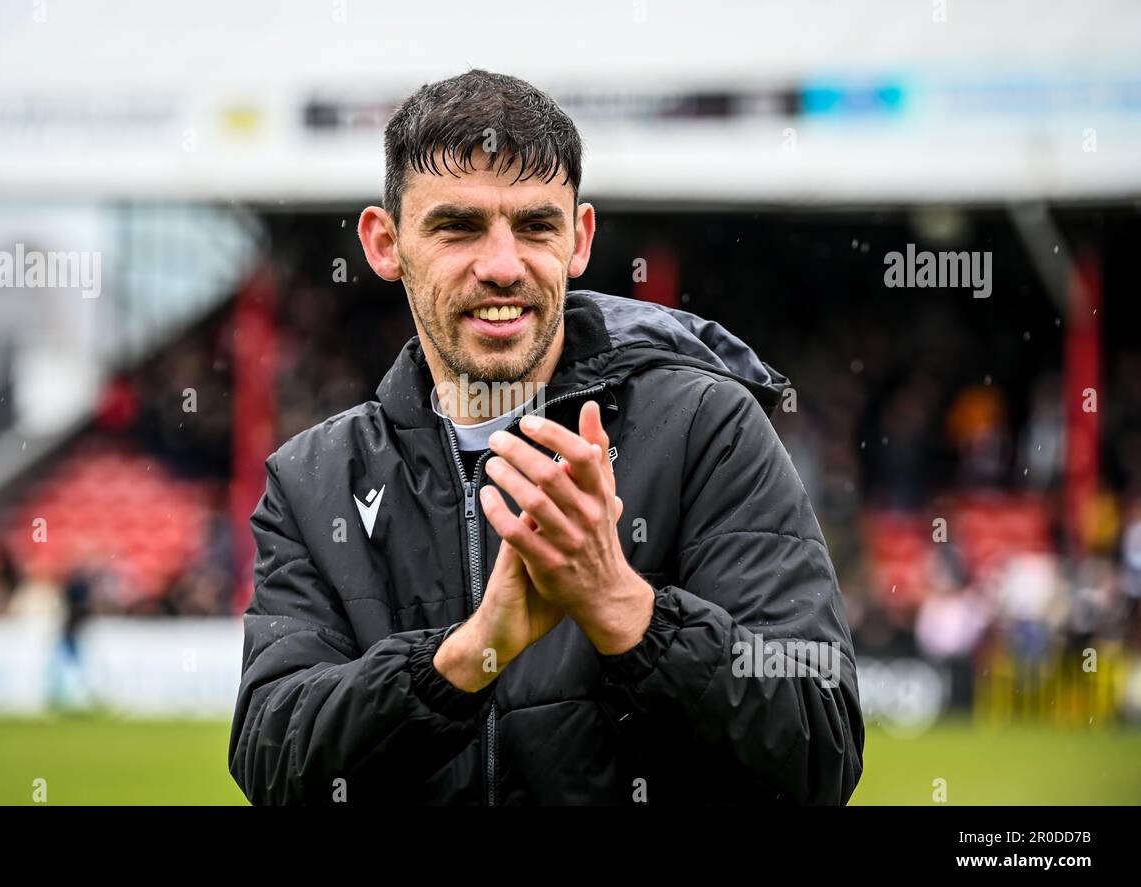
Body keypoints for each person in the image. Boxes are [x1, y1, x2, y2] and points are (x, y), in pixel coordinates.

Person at [228, 69, 864, 805]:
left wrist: (626, 609)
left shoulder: (706, 428)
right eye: (458, 226)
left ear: (579, 238)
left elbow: (820, 750)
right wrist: (464, 658)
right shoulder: (314, 480)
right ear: (385, 242)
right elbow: (275, 764)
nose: (502, 266)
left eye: (535, 225)